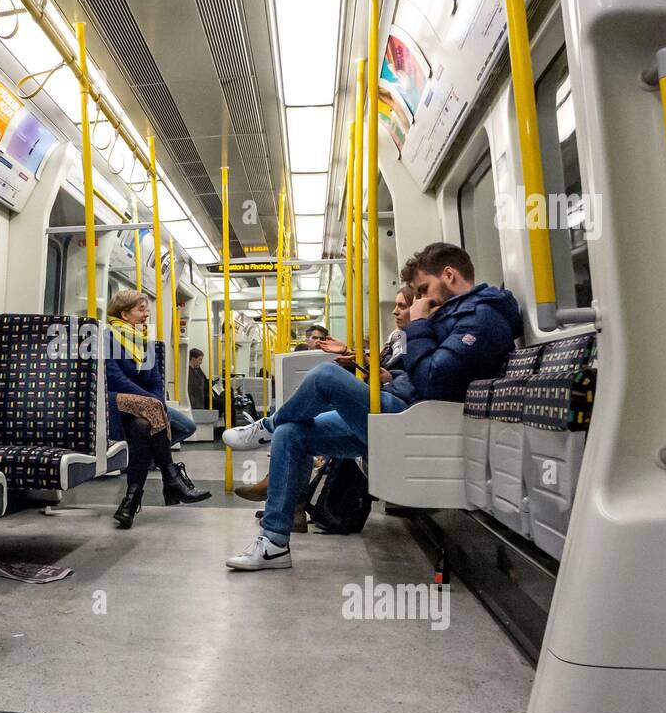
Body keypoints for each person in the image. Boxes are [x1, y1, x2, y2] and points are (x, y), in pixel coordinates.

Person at [222, 242, 521, 571]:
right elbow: (413, 371)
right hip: (404, 407)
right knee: (292, 433)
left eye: (423, 289)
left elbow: (434, 379)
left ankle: (266, 427)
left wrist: (418, 324)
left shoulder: (482, 317)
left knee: (324, 375)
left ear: (449, 274)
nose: (420, 298)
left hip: (417, 420)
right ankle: (274, 543)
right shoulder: (452, 313)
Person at [106, 289, 210, 528]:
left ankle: (130, 503)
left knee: (144, 429)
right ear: (124, 314)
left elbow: (156, 381)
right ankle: (171, 477)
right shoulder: (107, 337)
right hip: (115, 401)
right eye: (141, 309)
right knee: (149, 417)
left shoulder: (146, 342)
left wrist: (155, 402)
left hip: (144, 410)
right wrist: (150, 402)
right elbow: (114, 378)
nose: (147, 314)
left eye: (147, 309)